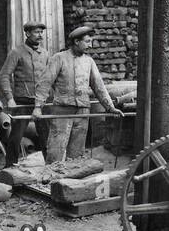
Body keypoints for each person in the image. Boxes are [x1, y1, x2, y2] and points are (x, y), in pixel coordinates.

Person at [31, 25, 122, 164]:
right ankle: (51, 180)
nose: (90, 45)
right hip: (62, 111)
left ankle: (71, 182)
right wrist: (38, 107)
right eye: (87, 41)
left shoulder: (89, 61)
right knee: (56, 148)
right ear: (76, 42)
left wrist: (110, 107)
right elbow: (44, 83)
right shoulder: (59, 58)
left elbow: (99, 87)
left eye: (91, 41)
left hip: (82, 111)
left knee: (77, 152)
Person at [0, 21, 50, 165]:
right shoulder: (17, 53)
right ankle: (9, 167)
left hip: (40, 102)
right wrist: (9, 98)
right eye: (36, 32)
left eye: (41, 32)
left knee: (46, 137)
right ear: (27, 34)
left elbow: (49, 77)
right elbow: (3, 76)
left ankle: (51, 168)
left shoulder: (45, 53)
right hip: (22, 101)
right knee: (16, 137)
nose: (40, 35)